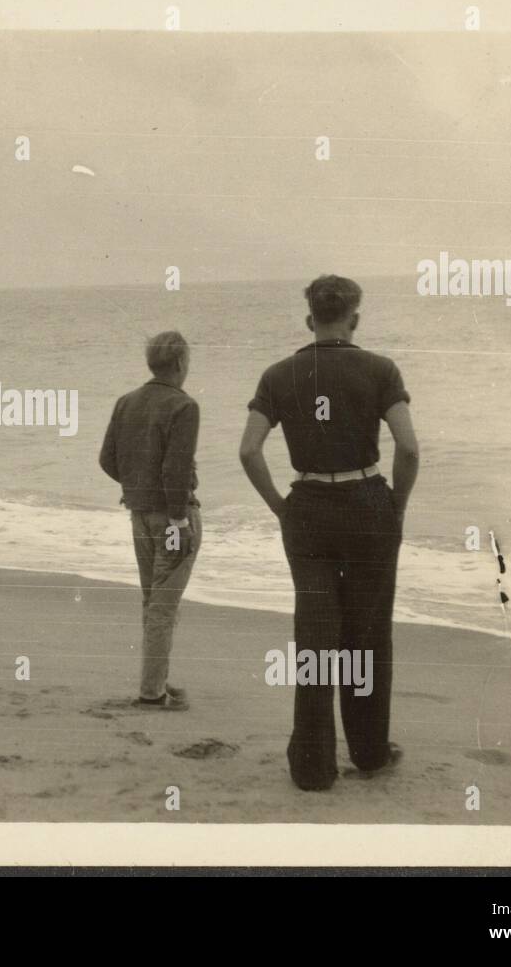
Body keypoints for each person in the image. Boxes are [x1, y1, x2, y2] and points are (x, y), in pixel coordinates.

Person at [239, 274, 420, 791]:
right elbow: (409, 448)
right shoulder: (381, 369)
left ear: (309, 320)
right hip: (368, 507)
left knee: (315, 638)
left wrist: (281, 507)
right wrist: (396, 506)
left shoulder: (278, 375)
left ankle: (313, 767)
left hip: (309, 509)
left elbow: (249, 451)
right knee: (368, 635)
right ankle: (369, 752)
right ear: (354, 319)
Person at [99, 330, 201, 711]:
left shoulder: (126, 402)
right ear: (180, 363)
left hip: (139, 514)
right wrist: (179, 520)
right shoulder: (184, 406)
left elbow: (107, 460)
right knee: (163, 605)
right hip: (172, 518)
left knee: (153, 600)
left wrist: (137, 486)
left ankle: (155, 680)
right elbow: (176, 469)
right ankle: (152, 691)